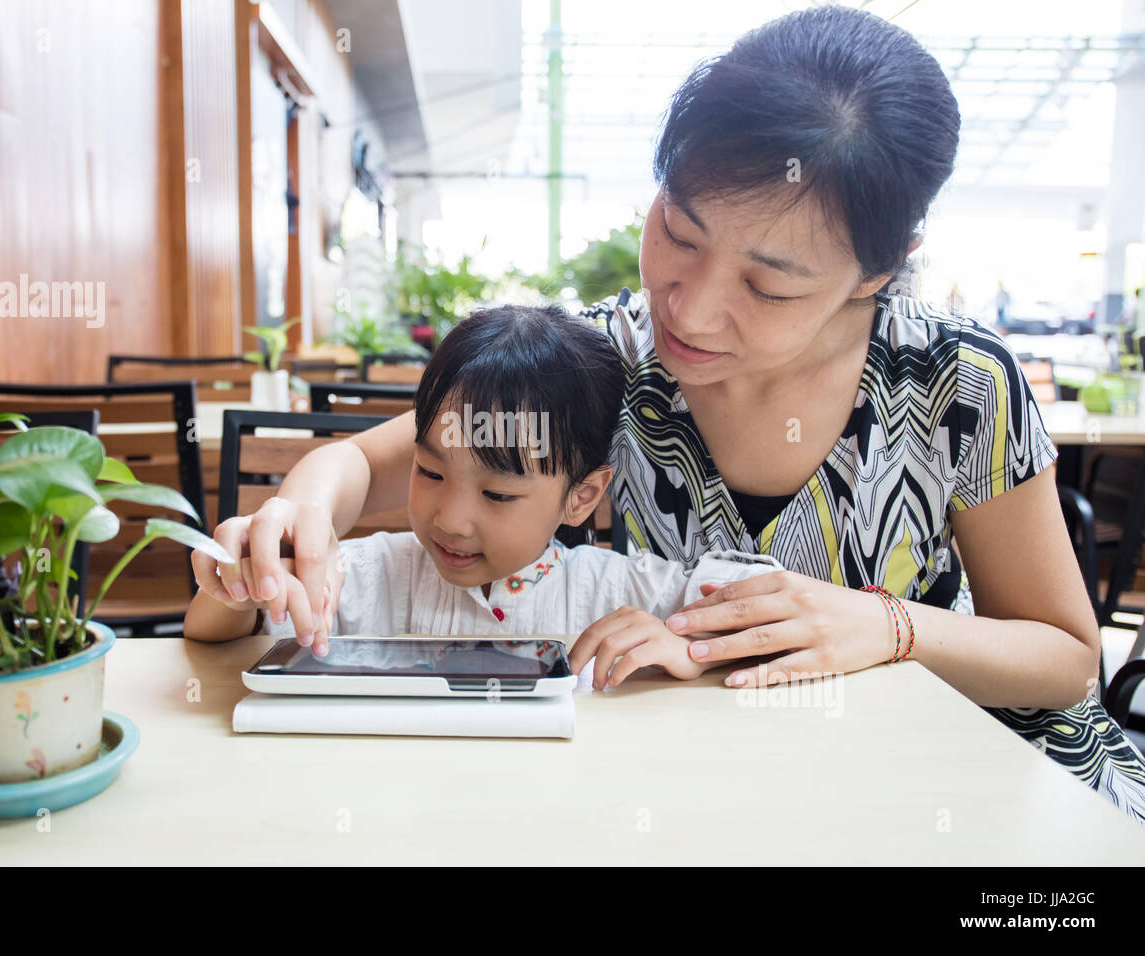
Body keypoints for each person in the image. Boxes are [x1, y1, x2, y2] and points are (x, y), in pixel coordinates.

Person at [192, 7, 1145, 819]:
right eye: (678, 233)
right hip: (716, 777)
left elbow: (1064, 660)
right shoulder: (609, 360)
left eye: (768, 288)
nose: (686, 309)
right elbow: (373, 468)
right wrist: (307, 505)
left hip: (958, 770)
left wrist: (886, 628)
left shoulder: (956, 382)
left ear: (881, 270)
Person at [186, 304, 783, 690]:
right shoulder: (365, 575)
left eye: (498, 494)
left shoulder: (617, 592)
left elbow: (761, 601)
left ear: (582, 497)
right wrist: (237, 583)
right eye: (430, 472)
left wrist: (689, 642)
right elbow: (214, 635)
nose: (450, 519)